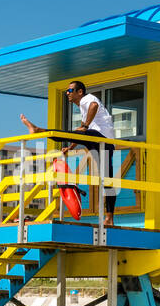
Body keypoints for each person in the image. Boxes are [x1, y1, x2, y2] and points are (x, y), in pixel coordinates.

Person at [20, 80, 117, 225]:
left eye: (70, 91)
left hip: (102, 138)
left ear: (80, 92)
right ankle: (109, 218)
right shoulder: (84, 109)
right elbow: (81, 133)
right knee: (108, 179)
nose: (67, 93)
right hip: (103, 143)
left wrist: (84, 126)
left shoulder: (87, 99)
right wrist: (71, 147)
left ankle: (39, 130)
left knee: (76, 132)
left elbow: (94, 107)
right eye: (67, 91)